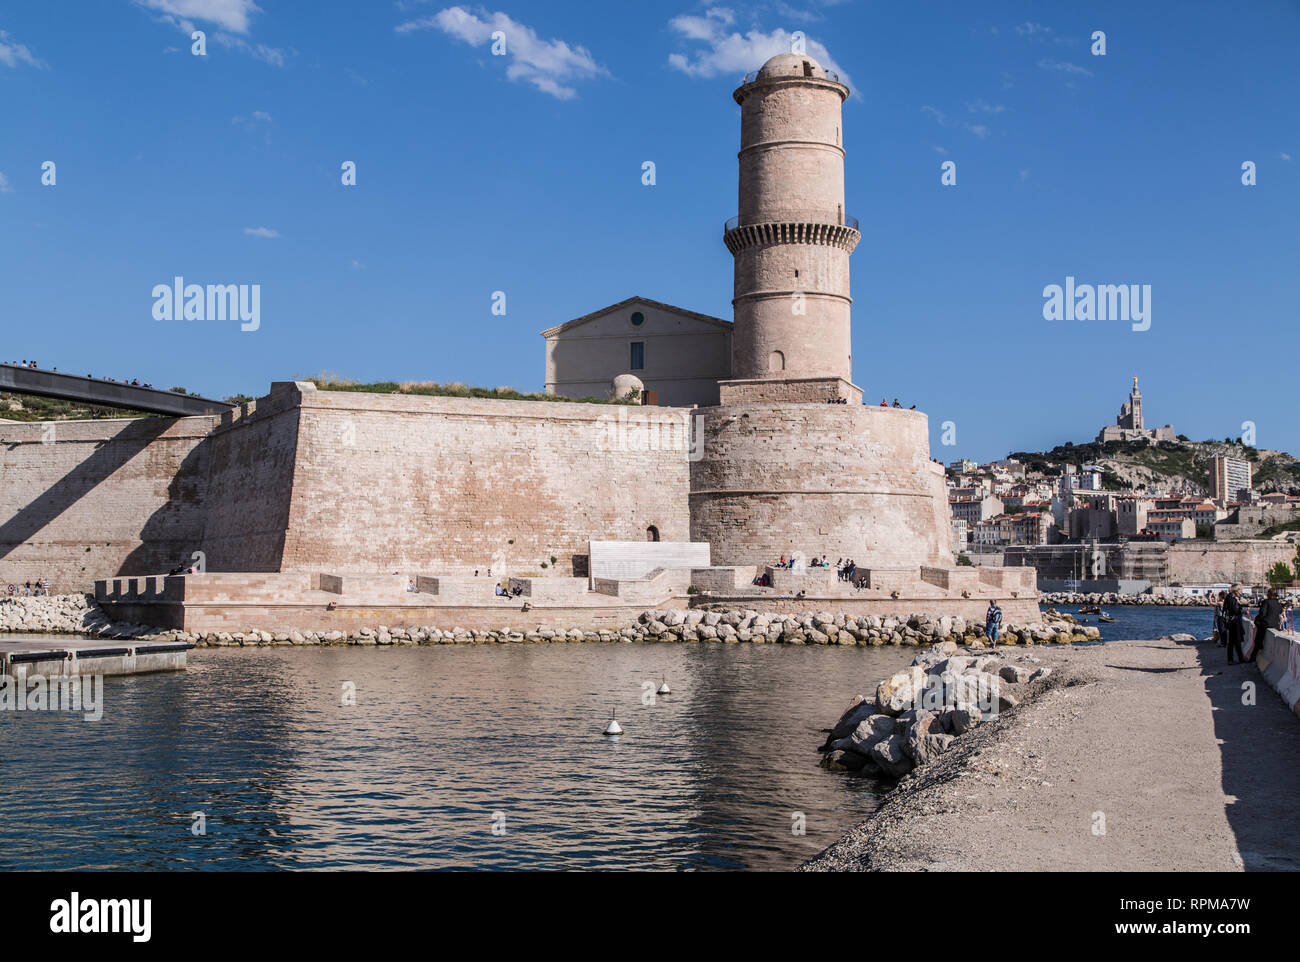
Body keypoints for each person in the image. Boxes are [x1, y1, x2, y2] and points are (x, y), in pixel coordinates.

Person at [1251, 588, 1284, 662]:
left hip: (1265, 624)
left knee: (1258, 640)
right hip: (1275, 625)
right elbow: (1280, 612)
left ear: (1269, 594)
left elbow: (1262, 613)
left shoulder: (1266, 602)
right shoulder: (1279, 604)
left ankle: (1253, 657)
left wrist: (1257, 619)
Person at [1223, 584, 1246, 664]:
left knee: (1232, 641)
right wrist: (1243, 611)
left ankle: (1231, 659)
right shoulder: (1232, 599)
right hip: (1234, 622)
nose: (1241, 592)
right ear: (1236, 591)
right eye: (1240, 591)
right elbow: (1235, 610)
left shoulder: (1228, 598)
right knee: (1236, 641)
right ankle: (1240, 659)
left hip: (1231, 622)